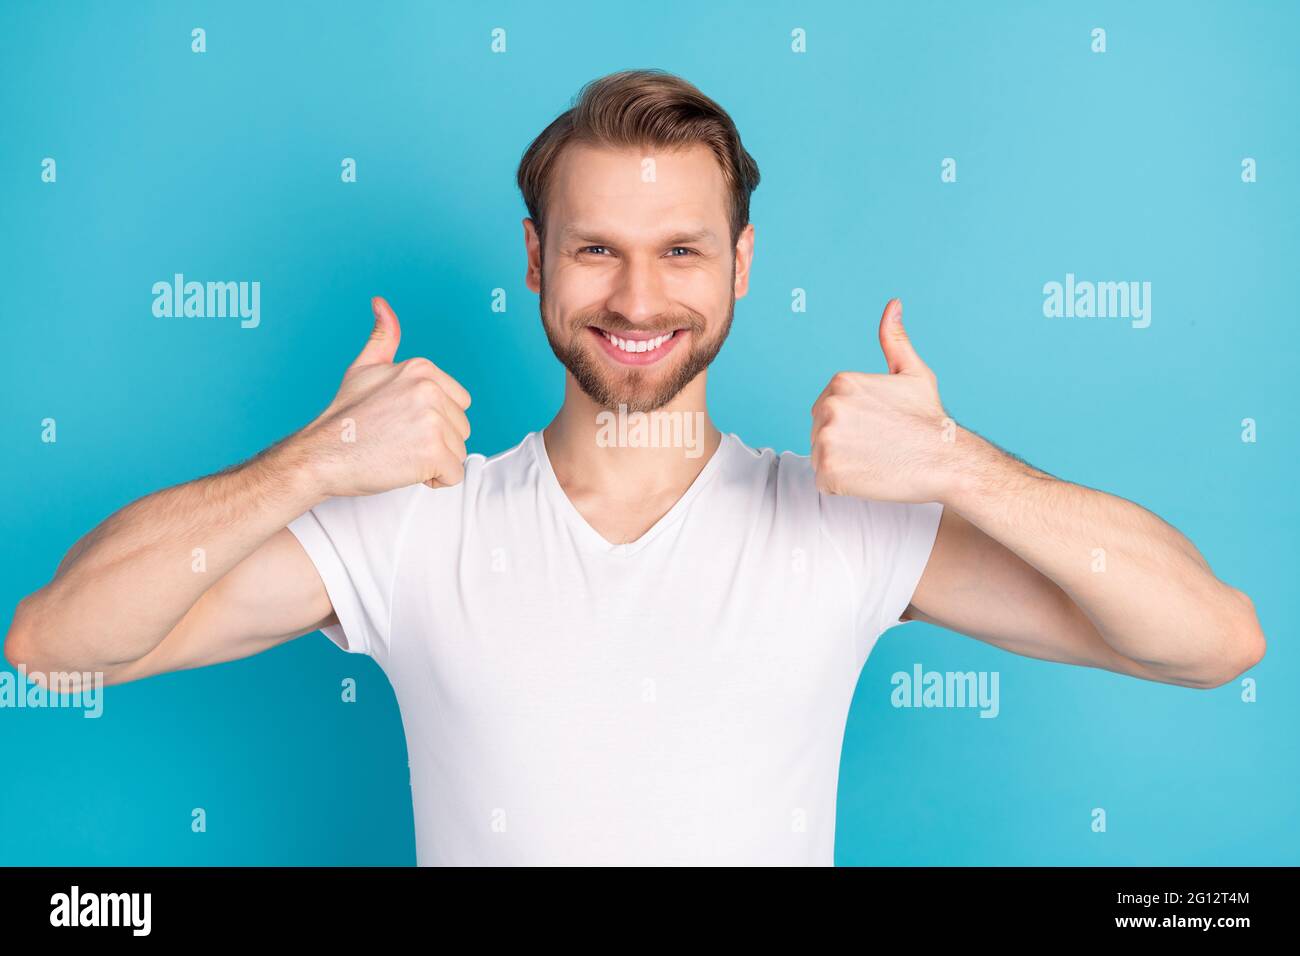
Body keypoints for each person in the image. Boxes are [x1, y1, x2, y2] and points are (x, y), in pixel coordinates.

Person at [4, 69, 1265, 866]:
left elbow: (1211, 639)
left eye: (681, 250)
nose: (639, 296)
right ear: (536, 261)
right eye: (595, 249)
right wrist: (316, 462)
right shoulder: (412, 528)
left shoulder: (841, 527)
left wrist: (958, 467)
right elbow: (55, 644)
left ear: (743, 264)